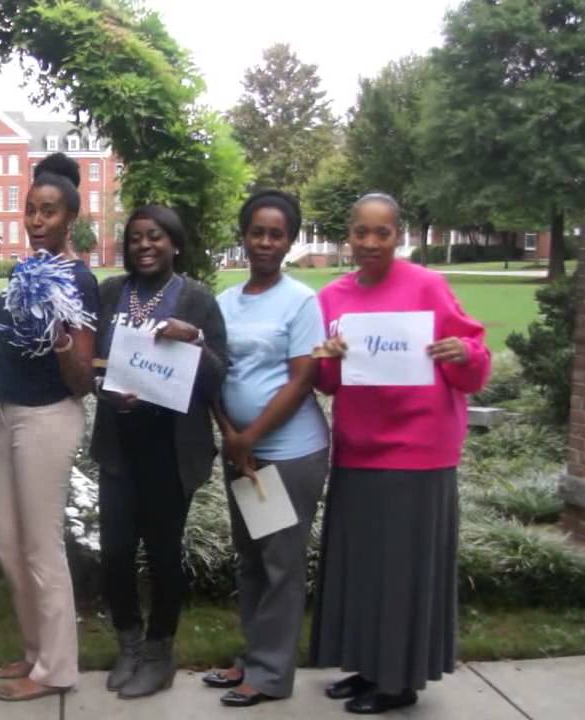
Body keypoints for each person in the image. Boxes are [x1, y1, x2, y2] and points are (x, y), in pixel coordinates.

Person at [307, 193, 490, 715]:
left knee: (404, 572)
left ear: (398, 235)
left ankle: (398, 682)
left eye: (381, 233)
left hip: (419, 452)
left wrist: (465, 352)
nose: (369, 242)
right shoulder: (334, 297)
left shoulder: (427, 286)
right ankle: (367, 667)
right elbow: (325, 380)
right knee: (362, 567)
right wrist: (330, 357)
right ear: (349, 234)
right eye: (360, 232)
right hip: (359, 450)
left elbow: (474, 362)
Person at [91, 206, 228, 699]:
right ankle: (128, 642)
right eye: (134, 239)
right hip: (118, 443)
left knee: (164, 554)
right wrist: (104, 389)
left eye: (155, 237)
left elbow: (217, 375)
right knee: (116, 552)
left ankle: (159, 650)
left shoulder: (196, 300)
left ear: (175, 244)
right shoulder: (110, 294)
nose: (144, 245)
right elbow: (93, 363)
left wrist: (193, 338)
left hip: (171, 448)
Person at [200, 190, 330, 707]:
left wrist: (249, 439)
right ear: (244, 236)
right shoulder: (225, 302)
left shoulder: (301, 301)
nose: (266, 241)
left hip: (286, 453)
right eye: (258, 231)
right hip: (242, 452)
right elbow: (212, 374)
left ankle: (272, 674)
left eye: (277, 234)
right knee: (251, 559)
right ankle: (254, 657)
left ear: (290, 242)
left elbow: (302, 381)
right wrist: (231, 436)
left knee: (279, 563)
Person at [0, 153, 98, 702]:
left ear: (69, 219)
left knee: (40, 547)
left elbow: (81, 380)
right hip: (7, 415)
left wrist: (61, 339)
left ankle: (56, 669)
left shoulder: (77, 280)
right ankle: (35, 651)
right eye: (30, 210)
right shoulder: (21, 271)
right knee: (6, 543)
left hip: (48, 418)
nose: (35, 220)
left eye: (47, 212)